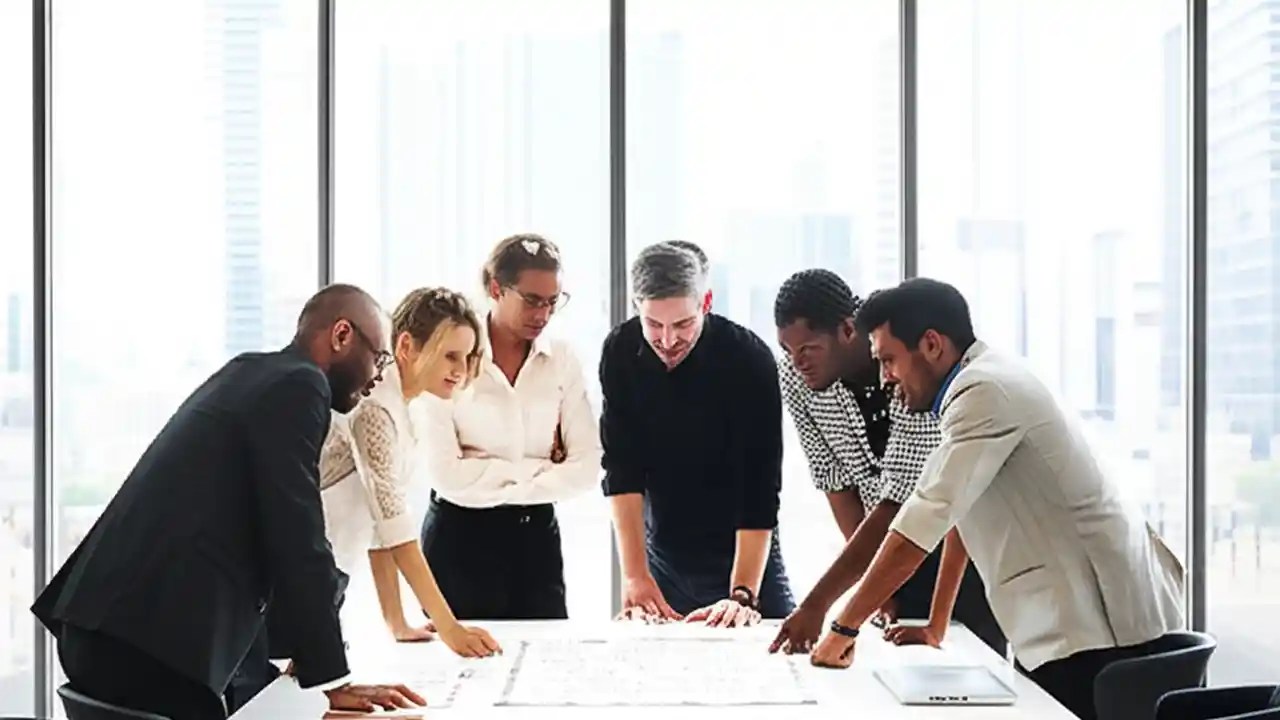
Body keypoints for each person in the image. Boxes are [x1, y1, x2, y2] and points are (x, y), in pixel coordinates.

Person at [31, 284, 426, 719]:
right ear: (341, 335)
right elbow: (296, 537)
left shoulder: (250, 371)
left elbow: (244, 531)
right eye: (380, 358)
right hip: (149, 650)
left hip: (104, 630)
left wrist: (305, 649)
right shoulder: (301, 385)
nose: (379, 375)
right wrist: (333, 679)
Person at [807, 278, 1185, 720]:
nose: (885, 377)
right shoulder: (978, 384)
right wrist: (936, 623)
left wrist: (842, 626)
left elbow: (925, 516)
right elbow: (961, 508)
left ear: (931, 344)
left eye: (889, 360)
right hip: (1083, 621)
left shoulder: (983, 390)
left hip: (1100, 629)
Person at [766, 269, 1004, 656]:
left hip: (952, 551)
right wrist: (878, 590)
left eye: (808, 350)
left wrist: (820, 606)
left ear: (847, 330)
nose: (798, 363)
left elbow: (903, 500)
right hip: (883, 546)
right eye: (787, 351)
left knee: (970, 668)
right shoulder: (796, 378)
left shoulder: (906, 357)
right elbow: (835, 481)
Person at [601, 241, 794, 626]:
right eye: (653, 324)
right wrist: (636, 576)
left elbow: (759, 488)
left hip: (746, 556)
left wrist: (742, 596)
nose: (668, 341)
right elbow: (622, 470)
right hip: (662, 558)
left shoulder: (748, 359)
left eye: (683, 324)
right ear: (636, 306)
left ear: (706, 301)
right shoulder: (621, 351)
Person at [419, 233, 601, 620]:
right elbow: (445, 473)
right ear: (496, 288)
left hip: (536, 540)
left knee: (546, 666)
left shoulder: (562, 359)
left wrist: (482, 467)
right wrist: (541, 468)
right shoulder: (451, 354)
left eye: (553, 302)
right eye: (532, 300)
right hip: (458, 538)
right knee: (457, 673)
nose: (543, 314)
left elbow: (586, 467)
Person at [318, 287, 500, 656]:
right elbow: (393, 523)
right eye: (451, 355)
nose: (461, 371)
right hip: (298, 576)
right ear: (405, 346)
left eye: (467, 357)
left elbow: (380, 527)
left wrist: (397, 622)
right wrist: (450, 629)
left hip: (327, 574)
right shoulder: (374, 407)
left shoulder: (403, 402)